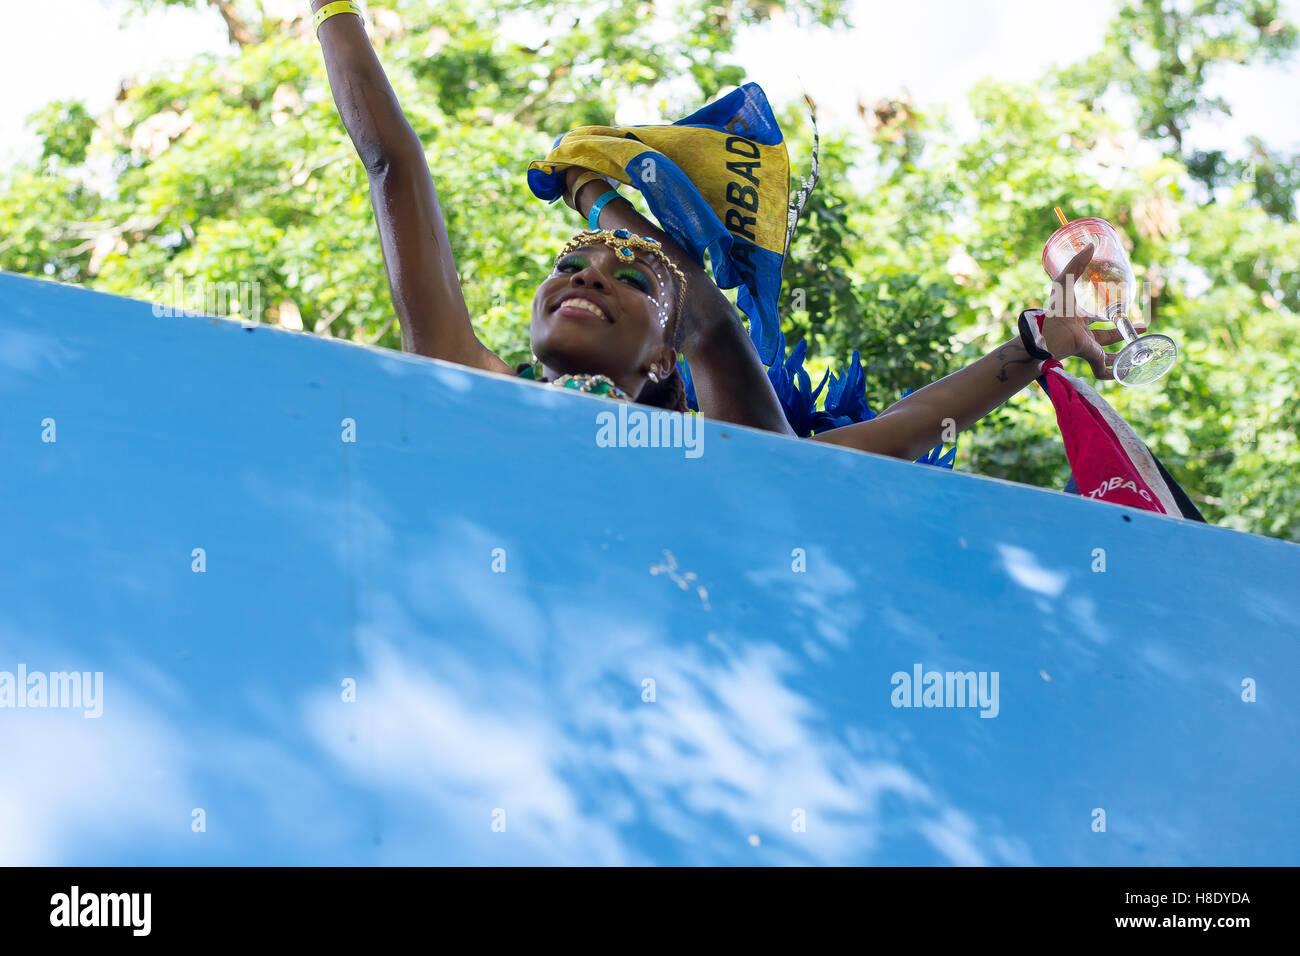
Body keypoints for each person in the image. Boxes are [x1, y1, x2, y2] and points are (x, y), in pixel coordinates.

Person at [311, 1, 1124, 462]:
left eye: (629, 279)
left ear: (666, 355)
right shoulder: (471, 383)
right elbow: (393, 166)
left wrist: (1032, 344)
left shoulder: (737, 449)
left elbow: (705, 310)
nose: (590, 275)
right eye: (573, 267)